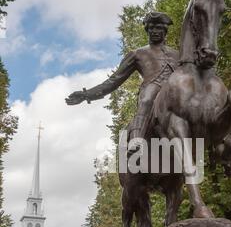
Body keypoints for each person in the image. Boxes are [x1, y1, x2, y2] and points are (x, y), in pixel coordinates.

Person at [65, 12, 179, 141]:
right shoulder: (137, 54)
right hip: (152, 90)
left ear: (165, 30)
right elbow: (114, 80)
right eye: (151, 28)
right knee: (147, 99)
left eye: (158, 27)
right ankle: (137, 139)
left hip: (176, 93)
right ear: (147, 30)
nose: (154, 31)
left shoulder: (178, 55)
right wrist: (86, 94)